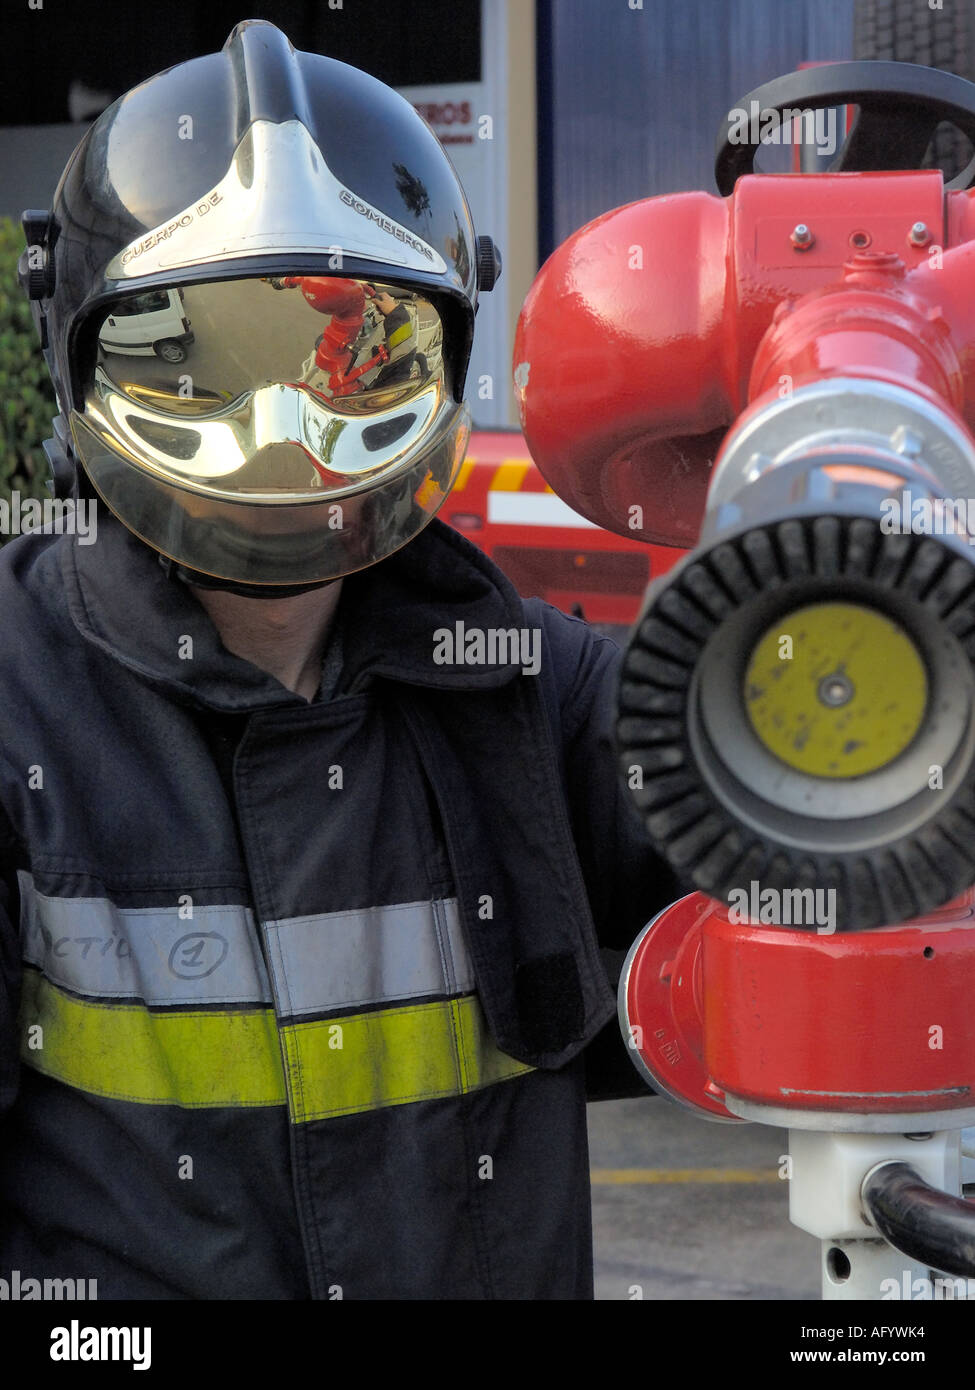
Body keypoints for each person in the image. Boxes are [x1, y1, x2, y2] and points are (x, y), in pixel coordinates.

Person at [0, 19, 677, 1300]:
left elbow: (801, 813)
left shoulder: (531, 684)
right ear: (83, 345)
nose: (287, 436)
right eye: (204, 355)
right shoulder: (16, 697)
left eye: (348, 353)